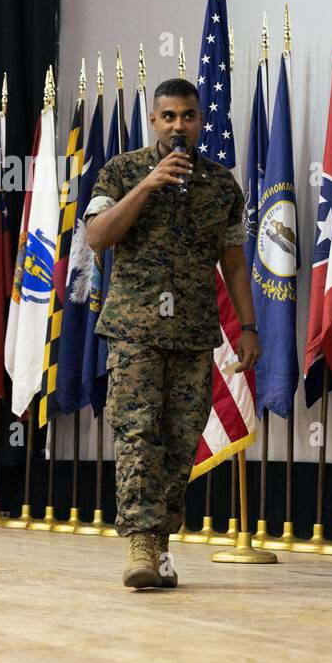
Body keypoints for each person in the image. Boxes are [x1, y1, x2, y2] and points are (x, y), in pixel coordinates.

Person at [84, 78, 260, 589]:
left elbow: (234, 263)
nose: (178, 125)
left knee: (181, 440)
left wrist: (248, 327)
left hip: (192, 332)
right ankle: (140, 543)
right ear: (154, 121)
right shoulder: (121, 172)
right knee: (139, 434)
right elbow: (97, 237)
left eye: (187, 116)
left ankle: (160, 544)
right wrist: (148, 185)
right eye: (168, 117)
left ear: (200, 121)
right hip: (134, 329)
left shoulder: (221, 186)